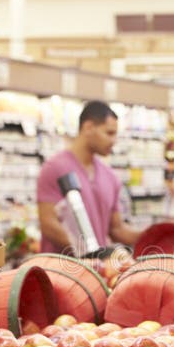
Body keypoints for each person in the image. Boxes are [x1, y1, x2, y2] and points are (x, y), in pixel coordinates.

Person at [37, 101, 141, 254]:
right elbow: (48, 223)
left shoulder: (110, 176)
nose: (114, 141)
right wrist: (84, 251)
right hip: (61, 271)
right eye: (109, 133)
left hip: (96, 271)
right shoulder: (54, 168)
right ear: (88, 127)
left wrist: (153, 234)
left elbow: (116, 229)